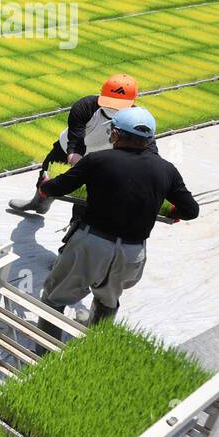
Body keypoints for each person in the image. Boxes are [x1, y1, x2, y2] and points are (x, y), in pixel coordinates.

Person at [37, 106, 197, 324]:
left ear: (116, 133)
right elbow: (191, 210)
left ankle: (45, 352)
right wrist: (171, 210)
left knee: (56, 296)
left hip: (91, 244)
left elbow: (59, 187)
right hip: (132, 252)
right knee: (108, 300)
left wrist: (44, 187)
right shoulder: (166, 169)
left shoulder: (98, 160)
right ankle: (93, 343)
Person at [9, 73, 142, 215]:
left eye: (119, 105)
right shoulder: (85, 106)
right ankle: (38, 202)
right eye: (110, 102)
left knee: (86, 193)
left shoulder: (138, 120)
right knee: (47, 172)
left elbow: (145, 149)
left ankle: (77, 223)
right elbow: (76, 139)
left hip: (101, 156)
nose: (113, 108)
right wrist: (74, 156)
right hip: (68, 148)